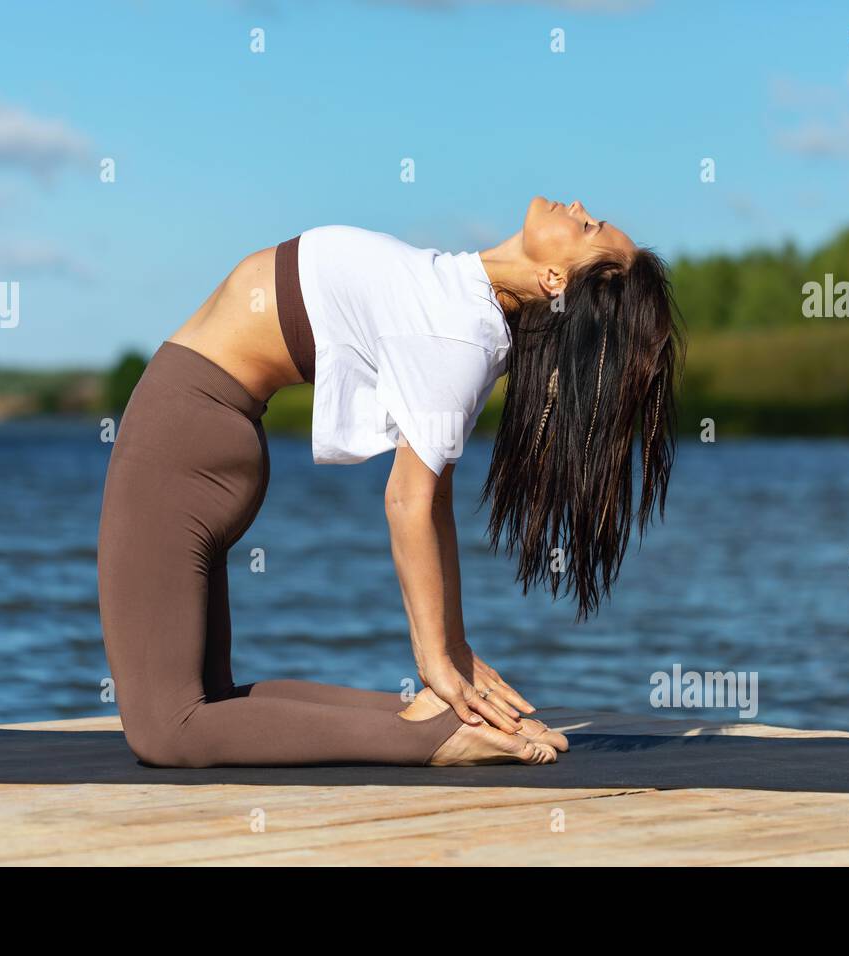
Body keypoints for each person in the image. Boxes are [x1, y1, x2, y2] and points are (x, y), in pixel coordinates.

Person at [97, 197, 682, 767]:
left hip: (180, 440)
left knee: (166, 730)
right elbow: (436, 498)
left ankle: (426, 737)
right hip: (202, 437)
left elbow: (410, 501)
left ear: (555, 279)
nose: (577, 207)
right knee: (209, 701)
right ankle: (443, 719)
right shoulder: (464, 302)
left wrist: (434, 661)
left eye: (590, 227)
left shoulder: (458, 339)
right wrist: (454, 654)